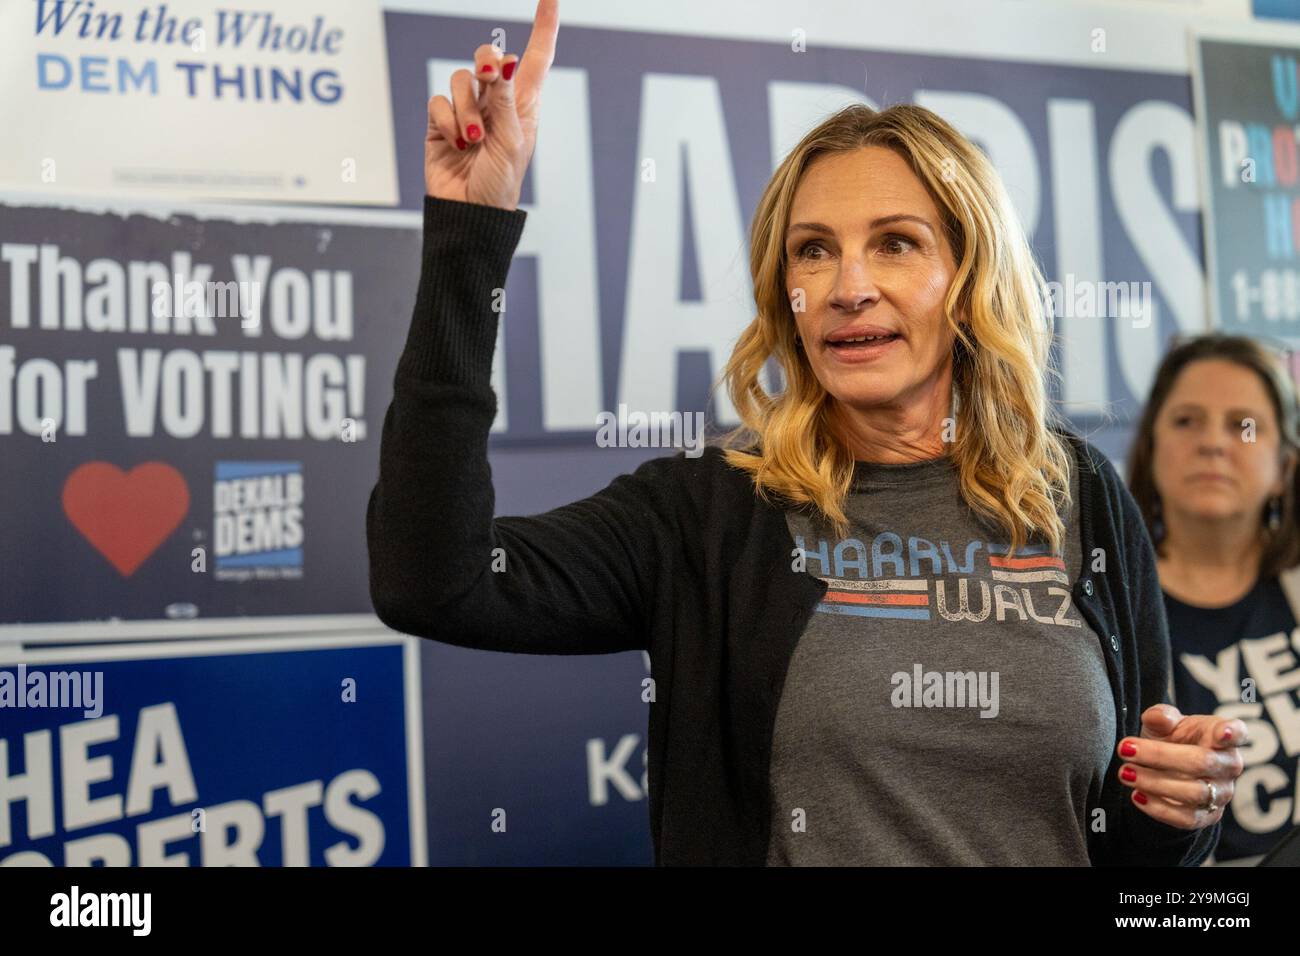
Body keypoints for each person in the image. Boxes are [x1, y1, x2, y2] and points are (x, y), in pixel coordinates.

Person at [367, 0, 1243, 865]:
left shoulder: (1079, 491)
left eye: (897, 243)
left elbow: (1136, 858)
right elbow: (433, 581)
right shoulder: (708, 510)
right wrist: (468, 242)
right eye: (813, 250)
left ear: (974, 278)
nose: (846, 286)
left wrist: (1178, 814)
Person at [1128, 334, 1300, 865]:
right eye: (1187, 421)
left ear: (1284, 469)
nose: (1213, 443)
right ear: (1151, 450)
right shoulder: (1102, 611)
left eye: (1242, 426)